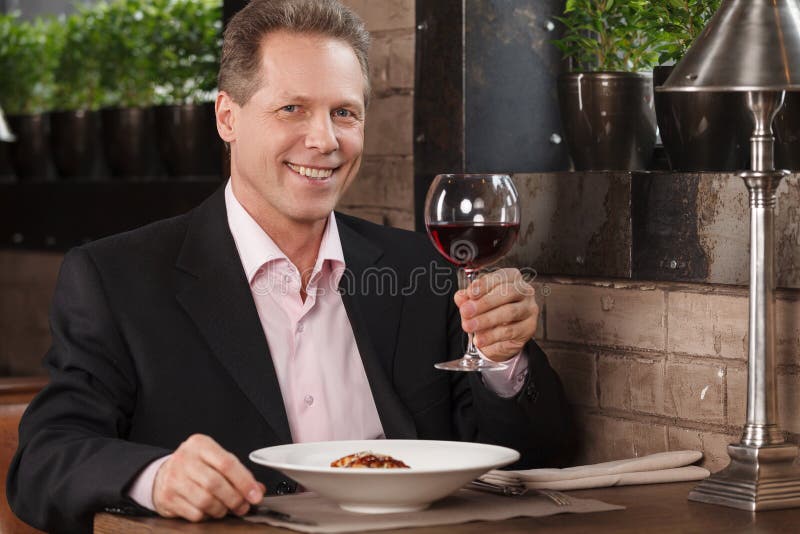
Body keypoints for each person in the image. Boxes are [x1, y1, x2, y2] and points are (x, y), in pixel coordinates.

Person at [6, 0, 573, 532]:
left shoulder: (419, 270)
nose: (323, 140)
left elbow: (539, 455)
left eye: (344, 112)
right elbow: (44, 459)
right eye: (292, 108)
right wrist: (158, 479)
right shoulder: (115, 279)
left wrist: (503, 360)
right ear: (227, 117)